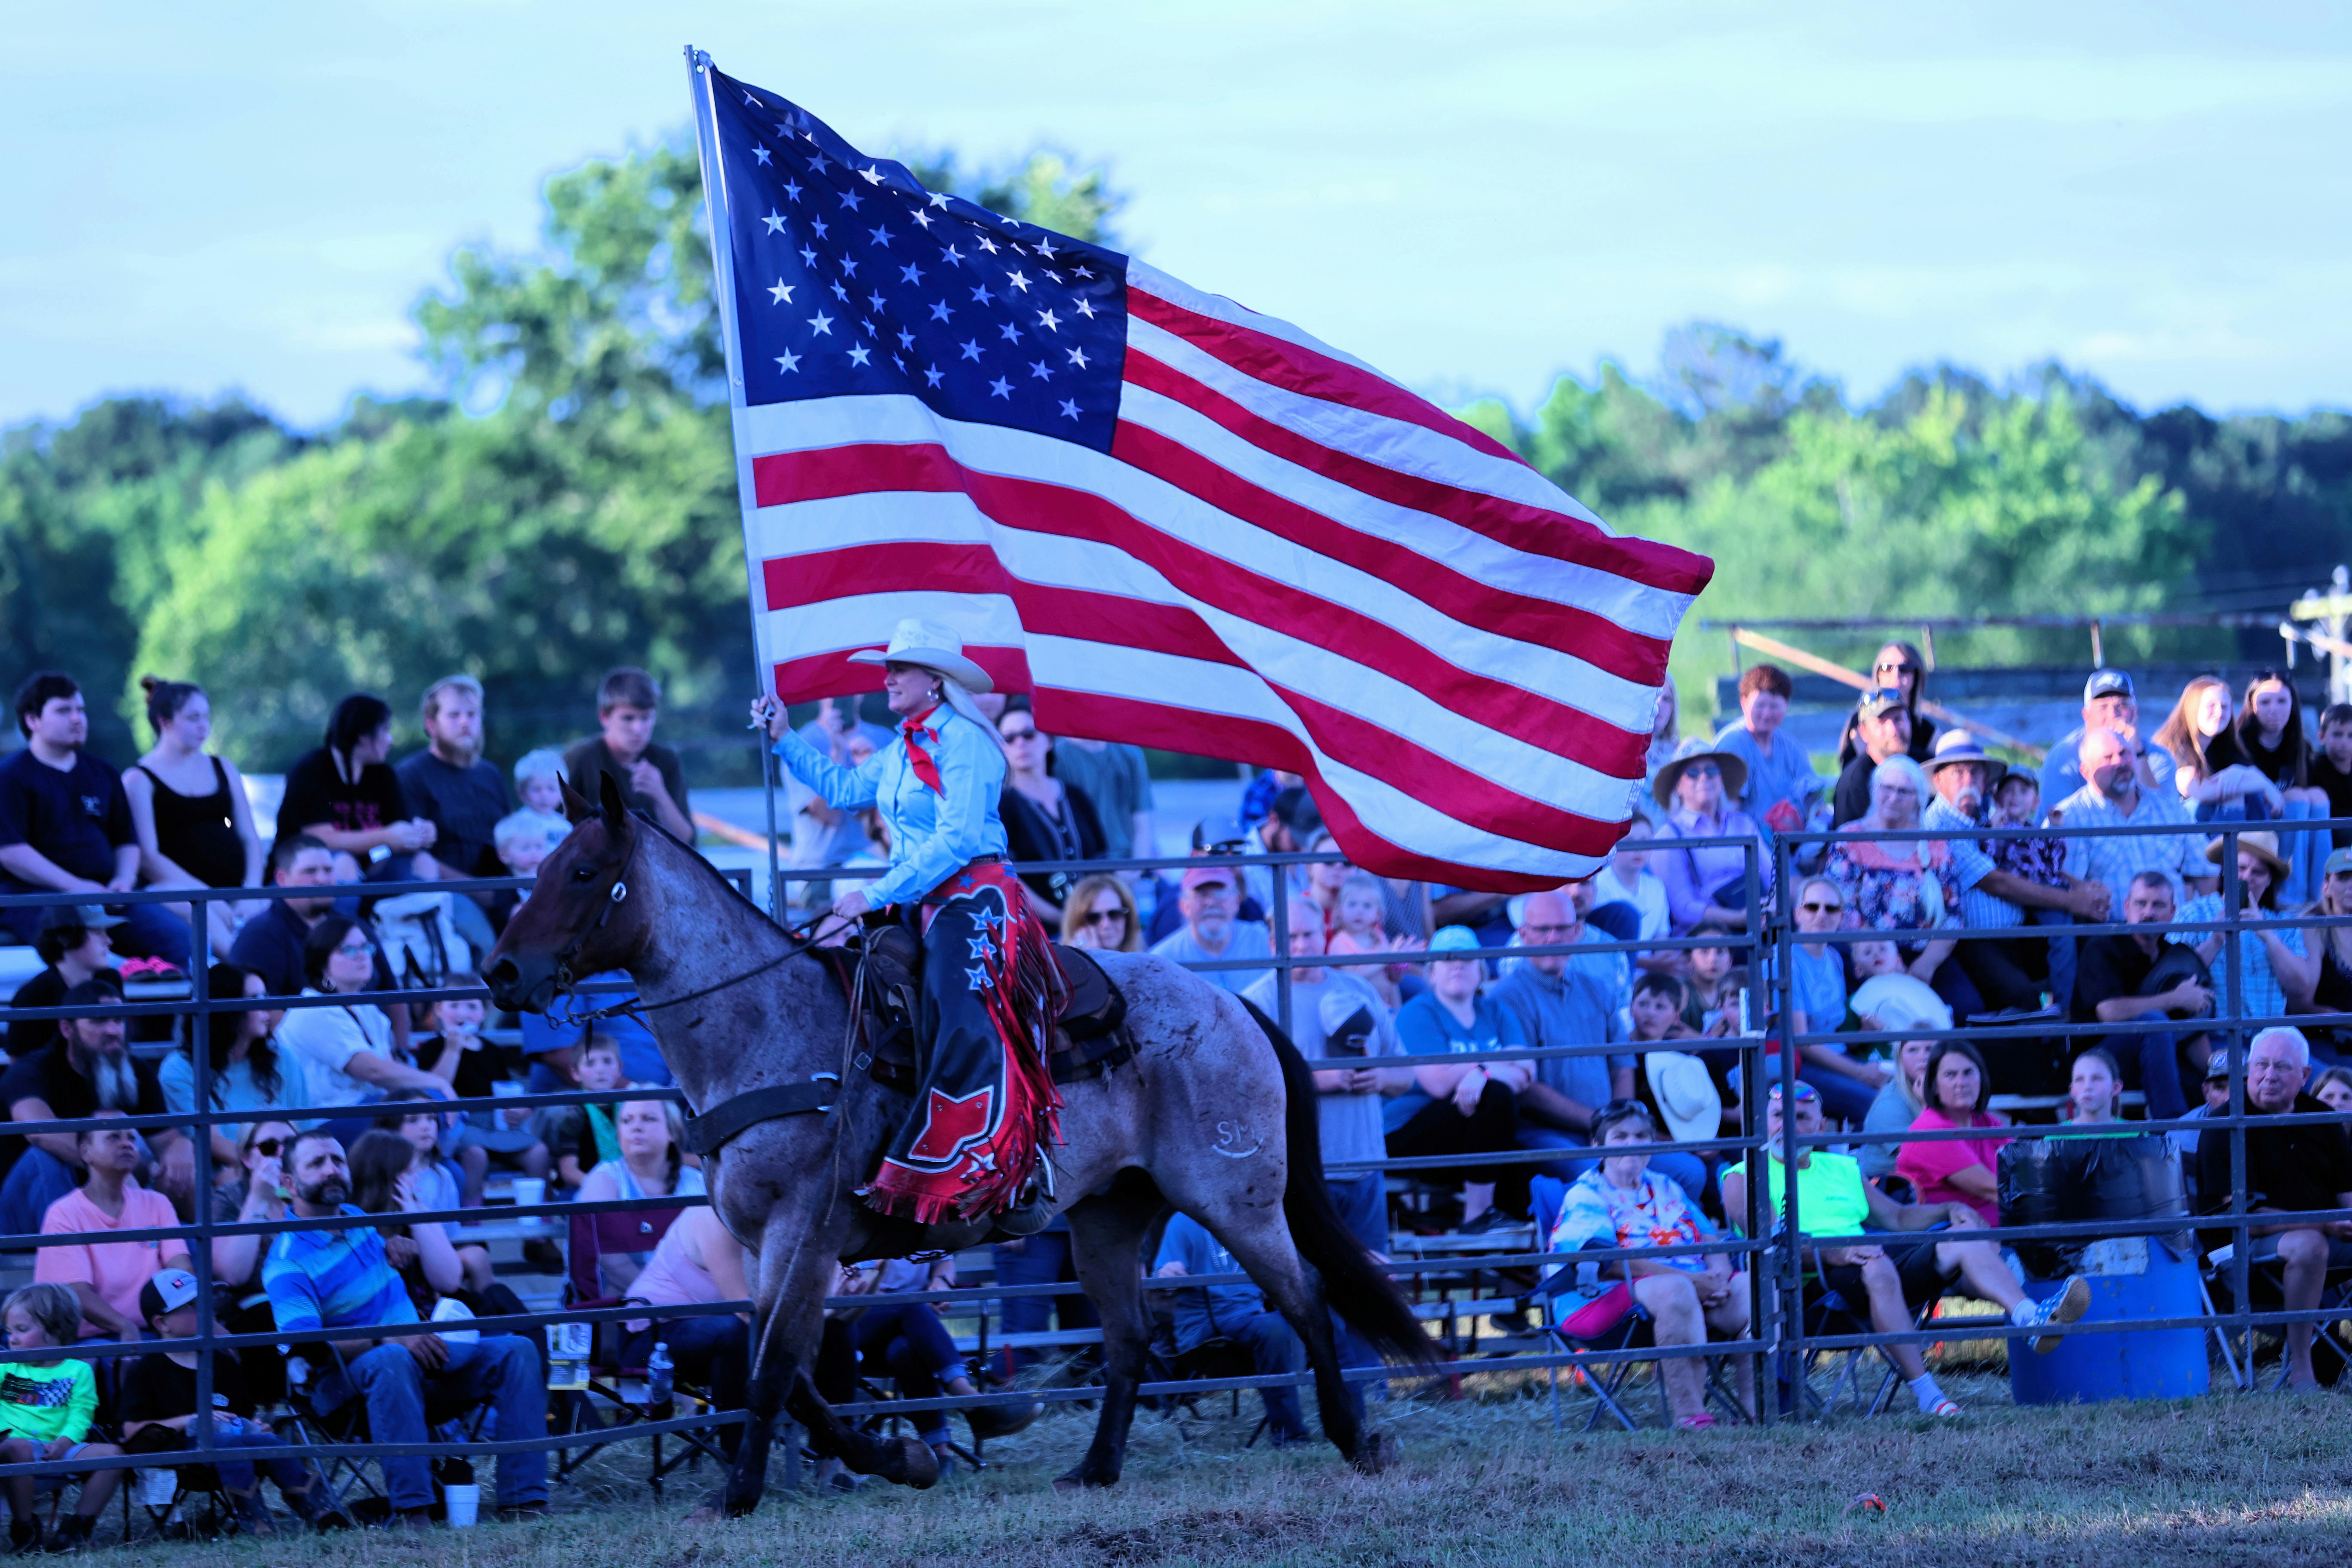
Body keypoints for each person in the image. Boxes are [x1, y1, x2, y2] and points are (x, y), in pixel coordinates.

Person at [753, 618, 1063, 1224]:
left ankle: (988, 1163)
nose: (887, 678)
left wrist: (875, 893)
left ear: (936, 681)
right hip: (919, 897)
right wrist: (786, 737)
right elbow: (843, 790)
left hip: (973, 899)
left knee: (959, 1010)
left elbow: (958, 839)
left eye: (900, 668)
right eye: (889, 668)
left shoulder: (968, 744)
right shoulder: (902, 748)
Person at [1725, 1083, 2091, 1418]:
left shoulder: (1843, 1168)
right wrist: (1833, 1253)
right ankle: (1928, 1393)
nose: (1788, 1126)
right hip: (1809, 1289)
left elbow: (1898, 1218)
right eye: (1778, 1116)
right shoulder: (1745, 1176)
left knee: (1962, 1238)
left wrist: (1948, 1210)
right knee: (1877, 1262)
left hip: (1870, 1269)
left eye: (1801, 1117)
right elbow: (1771, 1244)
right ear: (1764, 1122)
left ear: (1821, 1128)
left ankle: (2031, 1319)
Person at [265, 1130, 549, 1524]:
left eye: (338, 1161)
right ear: (289, 1184)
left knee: (517, 1349)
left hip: (422, 1362)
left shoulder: (360, 1220)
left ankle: (524, 1503)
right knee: (392, 1358)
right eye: (317, 1164)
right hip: (347, 1390)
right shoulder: (286, 1260)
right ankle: (414, 1511)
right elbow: (307, 1349)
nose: (331, 1171)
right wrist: (391, 1337)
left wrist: (402, 1246)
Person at [1492, 891, 1708, 1203]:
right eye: (1542, 930)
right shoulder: (1508, 997)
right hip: (1545, 1134)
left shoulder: (1596, 989)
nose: (1553, 938)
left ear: (1578, 931)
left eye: (1563, 928)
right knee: (1593, 1171)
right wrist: (1601, 1124)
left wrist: (1620, 1127)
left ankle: (1654, 1243)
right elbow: (1527, 1088)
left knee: (1690, 1172)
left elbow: (1623, 1064)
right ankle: (1620, 1248)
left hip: (1605, 1132)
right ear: (1523, 934)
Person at [1548, 1100, 1753, 1427]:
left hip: (1692, 1293)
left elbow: (1709, 1239)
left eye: (1642, 1135)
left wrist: (1719, 1277)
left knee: (1751, 1288)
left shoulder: (1666, 1186)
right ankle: (1691, 1415)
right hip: (1599, 1301)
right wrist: (1694, 1283)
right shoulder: (1587, 1194)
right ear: (1598, 1146)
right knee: (1676, 1289)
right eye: (1620, 1136)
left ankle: (1751, 1412)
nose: (1633, 1144)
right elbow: (1605, 1264)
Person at [1243, 900, 1411, 1262]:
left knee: (1368, 1288)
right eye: (1291, 937)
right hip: (1302, 1176)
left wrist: (1380, 1077)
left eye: (1309, 934)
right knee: (1312, 1289)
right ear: (1274, 944)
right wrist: (1317, 1080)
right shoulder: (1259, 1002)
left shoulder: (1360, 991)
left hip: (1366, 1167)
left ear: (1326, 935)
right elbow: (1244, 1090)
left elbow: (1406, 1076)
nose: (1301, 946)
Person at [2196, 1026, 2352, 1390]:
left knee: (2313, 1243)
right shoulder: (2226, 1124)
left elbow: (2347, 1201)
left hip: (2320, 1239)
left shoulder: (2324, 1119)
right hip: (2238, 1251)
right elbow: (2243, 1221)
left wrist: (2340, 1221)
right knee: (2309, 1245)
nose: (2268, 1075)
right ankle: (2302, 1371)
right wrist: (2325, 1225)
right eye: (2261, 1065)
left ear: (2305, 1075)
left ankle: (2336, 1355)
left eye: (2282, 1067)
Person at [120, 1267, 333, 1534]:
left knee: (270, 1441)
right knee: (225, 1442)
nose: (203, 1309)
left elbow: (244, 1412)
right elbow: (130, 1431)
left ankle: (318, 1510)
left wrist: (256, 1425)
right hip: (182, 1456)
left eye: (203, 1302)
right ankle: (254, 1520)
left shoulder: (222, 1362)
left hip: (233, 1448)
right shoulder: (147, 1370)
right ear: (162, 1324)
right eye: (190, 1305)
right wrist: (193, 1419)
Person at [0, 671, 190, 968]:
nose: (77, 719)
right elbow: (11, 853)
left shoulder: (103, 773)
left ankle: (158, 1015)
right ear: (32, 721)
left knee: (181, 942)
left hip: (107, 894)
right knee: (80, 949)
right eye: (64, 711)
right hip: (36, 898)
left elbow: (126, 841)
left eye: (80, 710)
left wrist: (124, 880)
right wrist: (74, 886)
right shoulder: (11, 776)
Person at [1921, 732, 2110, 1014]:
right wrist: (2073, 900)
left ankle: (2078, 1035)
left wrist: (2082, 889)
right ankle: (2060, 1035)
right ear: (1938, 781)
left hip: (2018, 931)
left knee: (2091, 950)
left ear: (1986, 782)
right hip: (1973, 942)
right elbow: (1997, 883)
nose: (1968, 781)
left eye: (1976, 773)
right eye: (1958, 773)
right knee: (2023, 996)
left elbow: (2033, 864)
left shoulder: (1985, 816)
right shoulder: (1939, 826)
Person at [1, 981, 189, 1239]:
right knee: (44, 1159)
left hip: (107, 1199)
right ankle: (72, 1259)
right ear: (67, 1028)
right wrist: (113, 1165)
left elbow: (166, 1139)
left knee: (183, 1171)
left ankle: (209, 1264)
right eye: (99, 1021)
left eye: (119, 1020)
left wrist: (180, 1150)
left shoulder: (136, 1071)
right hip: (23, 1210)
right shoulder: (31, 1071)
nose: (113, 1031)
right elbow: (39, 1131)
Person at [1386, 927, 1532, 1228]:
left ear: (1480, 971)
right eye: (1447, 960)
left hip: (1467, 1128)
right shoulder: (1418, 1012)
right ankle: (1477, 1217)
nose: (1458, 965)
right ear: (1432, 973)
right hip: (1410, 1133)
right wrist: (1490, 1070)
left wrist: (1482, 1072)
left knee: (1522, 1160)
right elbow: (1438, 1083)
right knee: (1496, 1095)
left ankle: (1517, 1264)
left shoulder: (1496, 1011)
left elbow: (1527, 1071)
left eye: (1467, 959)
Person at [271, 914, 451, 1148]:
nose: (363, 956)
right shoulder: (312, 1011)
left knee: (432, 1109)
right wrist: (436, 1083)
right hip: (324, 1124)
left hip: (367, 1109)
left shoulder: (367, 1009)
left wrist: (432, 1094)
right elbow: (373, 1071)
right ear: (323, 963)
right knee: (425, 1109)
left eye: (366, 947)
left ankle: (425, 1171)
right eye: (348, 950)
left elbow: (391, 1076)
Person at [123, 676, 265, 953]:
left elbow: (250, 836)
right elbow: (149, 857)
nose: (204, 726)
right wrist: (207, 898)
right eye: (193, 718)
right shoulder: (139, 780)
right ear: (165, 722)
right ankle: (247, 975)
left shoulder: (223, 767)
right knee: (214, 928)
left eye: (206, 717)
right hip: (182, 894)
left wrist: (253, 892)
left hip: (237, 892)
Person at [1153, 1212, 1310, 1446]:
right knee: (1275, 1328)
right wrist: (1167, 1275)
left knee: (1315, 1321)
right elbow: (1160, 1283)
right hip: (1206, 1329)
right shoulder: (1184, 1222)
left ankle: (1346, 1422)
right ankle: (1290, 1436)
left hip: (1255, 1321)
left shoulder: (1255, 1221)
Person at [612, 1204, 753, 1458]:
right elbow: (745, 1310)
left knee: (835, 1327)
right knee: (736, 1332)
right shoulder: (711, 1219)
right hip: (650, 1339)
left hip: (713, 1337)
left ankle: (830, 1460)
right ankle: (740, 1459)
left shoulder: (771, 1224)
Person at [2071, 871, 2213, 1121]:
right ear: (2127, 908)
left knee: (2207, 1086)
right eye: (2141, 903)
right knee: (2155, 1022)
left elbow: (2191, 1033)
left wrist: (2226, 1073)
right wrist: (2175, 998)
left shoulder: (2175, 956)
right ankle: (2171, 1135)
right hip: (2098, 1060)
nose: (2148, 913)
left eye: (2158, 905)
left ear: (2172, 912)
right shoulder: (2102, 948)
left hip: (2158, 1057)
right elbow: (2109, 1013)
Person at [34, 1118, 194, 1339]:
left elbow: (182, 1271)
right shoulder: (63, 1213)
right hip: (95, 1337)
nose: (127, 1144)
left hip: (158, 1328)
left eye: (131, 1137)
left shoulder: (157, 1203)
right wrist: (124, 1327)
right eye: (113, 1137)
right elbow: (77, 1292)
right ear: (85, 1152)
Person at [0, 1283, 123, 1552]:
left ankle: (76, 1528)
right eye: (9, 1332)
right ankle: (26, 1528)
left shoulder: (78, 1370)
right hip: (10, 1447)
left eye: (22, 1330)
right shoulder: (6, 1366)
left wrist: (65, 1442)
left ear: (55, 1329)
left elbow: (81, 1414)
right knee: (15, 1447)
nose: (13, 1339)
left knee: (114, 1454)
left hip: (55, 1448)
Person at [275, 692, 440, 876]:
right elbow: (320, 840)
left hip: (371, 866)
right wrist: (387, 836)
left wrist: (417, 832)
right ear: (363, 735)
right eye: (385, 731)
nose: (391, 740)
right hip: (309, 875)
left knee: (423, 862)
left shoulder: (383, 774)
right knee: (344, 864)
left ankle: (423, 905)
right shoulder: (311, 770)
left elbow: (397, 828)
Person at [1824, 758, 1955, 989]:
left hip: (1923, 956)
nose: (1894, 798)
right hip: (1867, 956)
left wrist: (1927, 965)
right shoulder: (1849, 838)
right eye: (1887, 788)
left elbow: (1954, 916)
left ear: (1919, 800)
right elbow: (1842, 907)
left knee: (1966, 1005)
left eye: (1904, 792)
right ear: (1874, 790)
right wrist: (1886, 957)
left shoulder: (1936, 844)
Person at [161, 962, 306, 1167]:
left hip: (288, 1169)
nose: (266, 1008)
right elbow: (212, 1142)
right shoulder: (180, 1069)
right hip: (225, 1171)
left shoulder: (283, 1059)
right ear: (226, 1006)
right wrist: (269, 1170)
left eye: (266, 996)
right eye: (255, 999)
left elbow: (303, 1129)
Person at [416, 985, 548, 1205]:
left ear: (484, 1012)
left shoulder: (493, 1051)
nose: (463, 1013)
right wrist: (453, 1049)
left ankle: (540, 1224)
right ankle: (472, 1218)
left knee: (539, 1152)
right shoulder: (432, 1047)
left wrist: (520, 1110)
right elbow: (433, 1088)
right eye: (454, 1005)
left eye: (472, 1006)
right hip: (459, 1126)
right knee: (475, 1155)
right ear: (439, 1009)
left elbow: (506, 1090)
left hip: (497, 1124)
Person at [2171, 832, 2315, 1026]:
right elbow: (2172, 981)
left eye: (2258, 872)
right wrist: (2214, 941)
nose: (2247, 877)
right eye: (2241, 868)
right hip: (2213, 1040)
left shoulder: (2284, 924)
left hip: (2269, 1043)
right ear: (2225, 870)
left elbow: (2300, 987)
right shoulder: (2192, 914)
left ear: (2269, 880)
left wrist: (2267, 935)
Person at [1779, 878, 1888, 1124]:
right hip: (1801, 1067)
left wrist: (1864, 1032)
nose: (1822, 914)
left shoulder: (1834, 957)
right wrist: (1861, 1073)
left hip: (1835, 1058)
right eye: (1812, 907)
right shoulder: (1787, 961)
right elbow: (1802, 1042)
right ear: (1798, 914)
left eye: (1831, 908)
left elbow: (1831, 1031)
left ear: (1841, 917)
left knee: (1898, 1091)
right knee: (1878, 1103)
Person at [2054, 727, 2202, 907]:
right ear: (2086, 772)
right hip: (2109, 932)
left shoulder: (2170, 809)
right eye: (2108, 758)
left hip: (2176, 930)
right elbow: (2061, 888)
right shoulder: (2070, 819)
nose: (2120, 762)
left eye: (2124, 753)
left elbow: (2205, 872)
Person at [576, 1099, 706, 1297]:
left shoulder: (697, 1182)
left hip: (692, 1299)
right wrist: (661, 1297)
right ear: (619, 1134)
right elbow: (609, 1258)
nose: (636, 1127)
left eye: (648, 1118)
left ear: (672, 1132)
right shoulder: (604, 1179)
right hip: (624, 1304)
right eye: (627, 1121)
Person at [994, 698, 1106, 925]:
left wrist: (1098, 913)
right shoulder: (1000, 806)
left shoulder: (1076, 796)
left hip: (1097, 921)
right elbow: (1009, 877)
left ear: (1048, 741)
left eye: (1029, 735)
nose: (1020, 744)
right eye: (1010, 738)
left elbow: (1102, 860)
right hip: (1038, 929)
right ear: (1001, 747)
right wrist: (1063, 920)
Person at [1651, 738, 1769, 936]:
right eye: (1693, 773)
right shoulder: (1669, 836)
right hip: (1706, 940)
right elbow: (1684, 908)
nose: (1704, 777)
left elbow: (1772, 875)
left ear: (1721, 780)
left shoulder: (1743, 824)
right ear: (1678, 786)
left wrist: (1771, 907)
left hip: (1760, 925)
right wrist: (1739, 918)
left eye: (1712, 771)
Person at [565, 667, 694, 843]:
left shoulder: (666, 760)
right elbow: (552, 830)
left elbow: (687, 842)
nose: (638, 729)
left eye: (646, 718)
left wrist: (660, 795)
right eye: (628, 718)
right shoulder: (579, 759)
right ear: (604, 717)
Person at [1895, 1040, 2011, 1227]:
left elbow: (2022, 1168)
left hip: (1999, 1232)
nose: (1961, 1083)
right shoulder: (1930, 1131)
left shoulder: (1986, 1121)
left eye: (1968, 1073)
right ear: (1934, 1086)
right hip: (1949, 1240)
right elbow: (1994, 1190)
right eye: (1950, 1075)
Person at [2037, 669, 2178, 809]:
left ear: (2134, 712)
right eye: (2102, 707)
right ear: (2086, 715)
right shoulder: (2064, 759)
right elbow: (2061, 823)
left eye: (2122, 705)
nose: (2113, 715)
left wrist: (2137, 753)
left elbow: (2165, 818)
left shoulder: (2158, 758)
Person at [4, 904, 122, 1063]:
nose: (108, 941)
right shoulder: (35, 993)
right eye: (97, 932)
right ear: (66, 937)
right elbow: (18, 1061)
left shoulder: (110, 979)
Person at [1714, 664, 1822, 834]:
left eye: (1774, 707)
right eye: (1760, 705)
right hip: (1748, 842)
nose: (1766, 714)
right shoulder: (1733, 743)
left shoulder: (1789, 746)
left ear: (1786, 705)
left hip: (1788, 840)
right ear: (1744, 703)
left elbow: (1813, 793)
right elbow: (1729, 811)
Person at [2153, 676, 2275, 820]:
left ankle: (2259, 842)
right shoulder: (2173, 745)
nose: (2219, 713)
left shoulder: (2222, 744)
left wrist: (2238, 772)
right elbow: (2201, 792)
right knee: (2234, 797)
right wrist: (2266, 785)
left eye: (2225, 707)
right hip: (2169, 826)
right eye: (2211, 706)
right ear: (2193, 708)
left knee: (2252, 796)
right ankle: (2235, 843)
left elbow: (2252, 771)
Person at [1149, 867, 1276, 995]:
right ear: (1185, 906)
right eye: (1202, 895)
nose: (1211, 903)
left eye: (1220, 893)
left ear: (1237, 901)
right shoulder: (1163, 961)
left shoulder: (1266, 942)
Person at [209, 1120, 295, 1291]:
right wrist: (259, 1199)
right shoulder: (227, 1198)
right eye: (269, 1147)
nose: (282, 1153)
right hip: (258, 1308)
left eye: (291, 1144)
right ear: (247, 1159)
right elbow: (231, 1276)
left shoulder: (310, 1190)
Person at [1048, 732, 1154, 865]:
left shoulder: (1131, 754)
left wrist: (1136, 870)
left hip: (1129, 863)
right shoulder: (1056, 757)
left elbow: (1143, 823)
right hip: (1085, 866)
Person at [1834, 643, 1937, 770]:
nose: (1896, 676)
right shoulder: (1863, 721)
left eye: (1905, 669)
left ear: (1917, 675)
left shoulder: (1925, 728)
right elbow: (1866, 770)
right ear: (1878, 674)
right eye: (1887, 668)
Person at [548, 1033, 630, 1192]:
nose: (600, 1070)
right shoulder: (571, 1114)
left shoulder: (630, 1110)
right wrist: (601, 1188)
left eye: (607, 1061)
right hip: (583, 1188)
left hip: (626, 1187)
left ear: (620, 1068)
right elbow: (569, 1172)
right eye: (590, 1063)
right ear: (575, 1073)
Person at [1830, 689, 1916, 829]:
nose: (1893, 730)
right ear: (1864, 732)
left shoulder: (1924, 766)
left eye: (1898, 719)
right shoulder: (1854, 785)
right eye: (1882, 723)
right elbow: (1849, 846)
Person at [1858, 1037, 1939, 1182]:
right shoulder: (1889, 1105)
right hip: (1888, 1187)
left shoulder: (1948, 1089)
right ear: (1900, 1059)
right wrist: (1927, 1108)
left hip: (1928, 1177)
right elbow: (1924, 1155)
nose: (1923, 1057)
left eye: (1930, 1049)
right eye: (1913, 1050)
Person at [505, 749, 573, 854]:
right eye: (537, 789)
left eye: (551, 789)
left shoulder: (565, 826)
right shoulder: (519, 824)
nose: (544, 796)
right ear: (522, 793)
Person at [1059, 872, 1141, 952]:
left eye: (1115, 914)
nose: (1106, 925)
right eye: (1093, 918)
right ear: (1076, 923)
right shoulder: (1061, 965)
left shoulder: (1144, 962)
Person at [2308, 704, 2352, 847]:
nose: (2345, 743)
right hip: (2330, 837)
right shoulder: (2315, 768)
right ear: (2322, 736)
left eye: (2351, 736)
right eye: (2338, 734)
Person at [2058, 1047, 2131, 1132]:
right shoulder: (2057, 1138)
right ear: (2072, 1090)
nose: (2087, 1087)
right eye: (2079, 1079)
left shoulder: (2136, 1136)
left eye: (2097, 1078)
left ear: (2115, 1088)